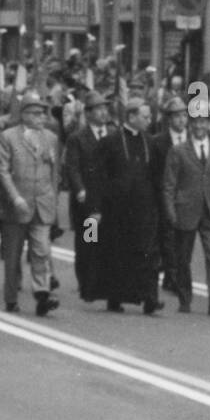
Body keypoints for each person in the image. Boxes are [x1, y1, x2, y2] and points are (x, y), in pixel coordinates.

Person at [91, 97, 163, 314]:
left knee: (148, 253)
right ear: (131, 117)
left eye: (150, 117)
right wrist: (96, 209)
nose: (149, 121)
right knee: (117, 253)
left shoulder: (151, 142)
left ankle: (150, 297)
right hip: (117, 209)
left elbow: (157, 176)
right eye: (145, 116)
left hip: (144, 209)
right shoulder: (111, 142)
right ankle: (116, 297)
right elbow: (98, 177)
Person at [0, 92, 61, 317]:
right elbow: (2, 170)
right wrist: (15, 197)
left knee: (42, 250)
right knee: (13, 256)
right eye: (34, 113)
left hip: (42, 203)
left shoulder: (50, 138)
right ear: (23, 114)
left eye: (42, 113)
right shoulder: (8, 136)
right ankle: (11, 298)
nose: (40, 117)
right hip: (17, 205)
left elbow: (54, 172)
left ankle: (42, 294)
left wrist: (51, 198)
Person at [162, 110, 210, 314]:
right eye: (196, 123)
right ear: (190, 125)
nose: (199, 127)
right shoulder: (178, 150)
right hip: (185, 211)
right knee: (183, 258)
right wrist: (171, 211)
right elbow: (169, 185)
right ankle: (185, 299)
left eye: (203, 122)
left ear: (208, 124)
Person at [63, 90, 109, 302]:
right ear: (88, 114)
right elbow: (72, 167)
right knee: (88, 243)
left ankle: (101, 283)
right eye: (98, 110)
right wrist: (80, 189)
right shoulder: (78, 138)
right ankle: (87, 285)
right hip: (88, 201)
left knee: (106, 243)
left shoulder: (112, 133)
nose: (103, 113)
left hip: (107, 199)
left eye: (104, 109)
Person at [152, 96, 190, 294]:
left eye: (184, 116)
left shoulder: (193, 139)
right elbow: (155, 172)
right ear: (168, 119)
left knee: (183, 239)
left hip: (187, 197)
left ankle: (173, 274)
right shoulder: (158, 142)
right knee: (167, 237)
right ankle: (173, 276)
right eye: (176, 116)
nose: (181, 120)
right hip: (165, 196)